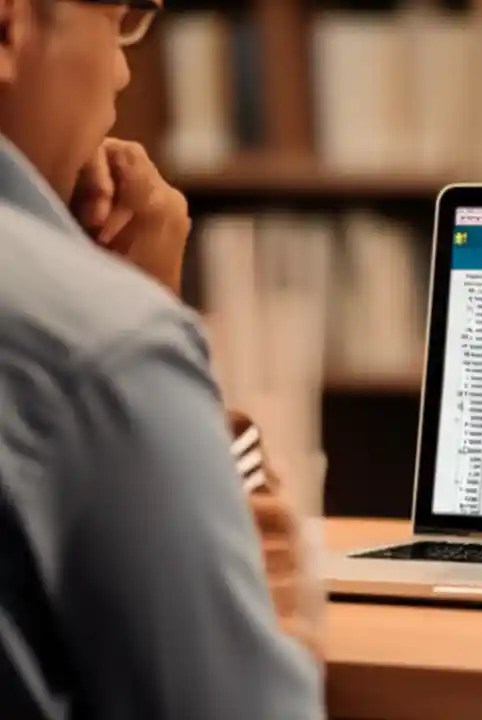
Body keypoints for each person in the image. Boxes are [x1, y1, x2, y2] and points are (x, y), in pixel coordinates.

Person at [0, 1, 324, 718]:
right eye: (117, 19)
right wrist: (128, 315)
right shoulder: (93, 349)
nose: (121, 69)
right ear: (9, 27)